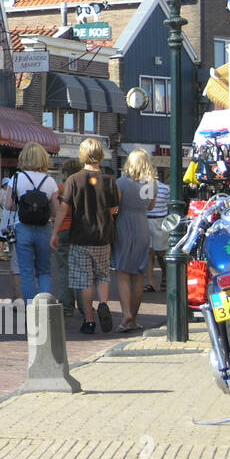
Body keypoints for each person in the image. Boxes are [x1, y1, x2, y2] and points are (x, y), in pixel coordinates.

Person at [51, 138, 121, 334]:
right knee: (103, 275)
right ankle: (104, 304)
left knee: (84, 280)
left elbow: (64, 210)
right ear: (100, 155)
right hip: (103, 236)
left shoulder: (74, 180)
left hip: (80, 236)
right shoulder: (109, 181)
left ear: (82, 155)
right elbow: (114, 209)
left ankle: (89, 320)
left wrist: (55, 233)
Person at [5, 141, 60, 302]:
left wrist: (24, 206)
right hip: (44, 229)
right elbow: (56, 211)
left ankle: (31, 309)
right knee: (44, 271)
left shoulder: (16, 178)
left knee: (26, 271)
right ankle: (45, 307)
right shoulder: (50, 181)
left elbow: (9, 205)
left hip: (23, 228)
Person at [112, 149, 157, 332]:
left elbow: (116, 207)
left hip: (124, 226)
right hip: (142, 226)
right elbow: (151, 206)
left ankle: (126, 315)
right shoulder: (153, 184)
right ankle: (135, 318)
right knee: (139, 274)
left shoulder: (121, 182)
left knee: (123, 273)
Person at [51, 157, 84, 315]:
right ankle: (84, 305)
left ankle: (66, 305)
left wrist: (54, 231)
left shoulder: (61, 188)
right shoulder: (84, 188)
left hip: (63, 229)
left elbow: (57, 211)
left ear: (65, 173)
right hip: (79, 231)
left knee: (64, 269)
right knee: (80, 269)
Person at [144, 175, 171, 291]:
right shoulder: (143, 188)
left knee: (161, 252)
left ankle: (165, 276)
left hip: (159, 221)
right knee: (150, 252)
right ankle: (150, 282)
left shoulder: (164, 188)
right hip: (149, 219)